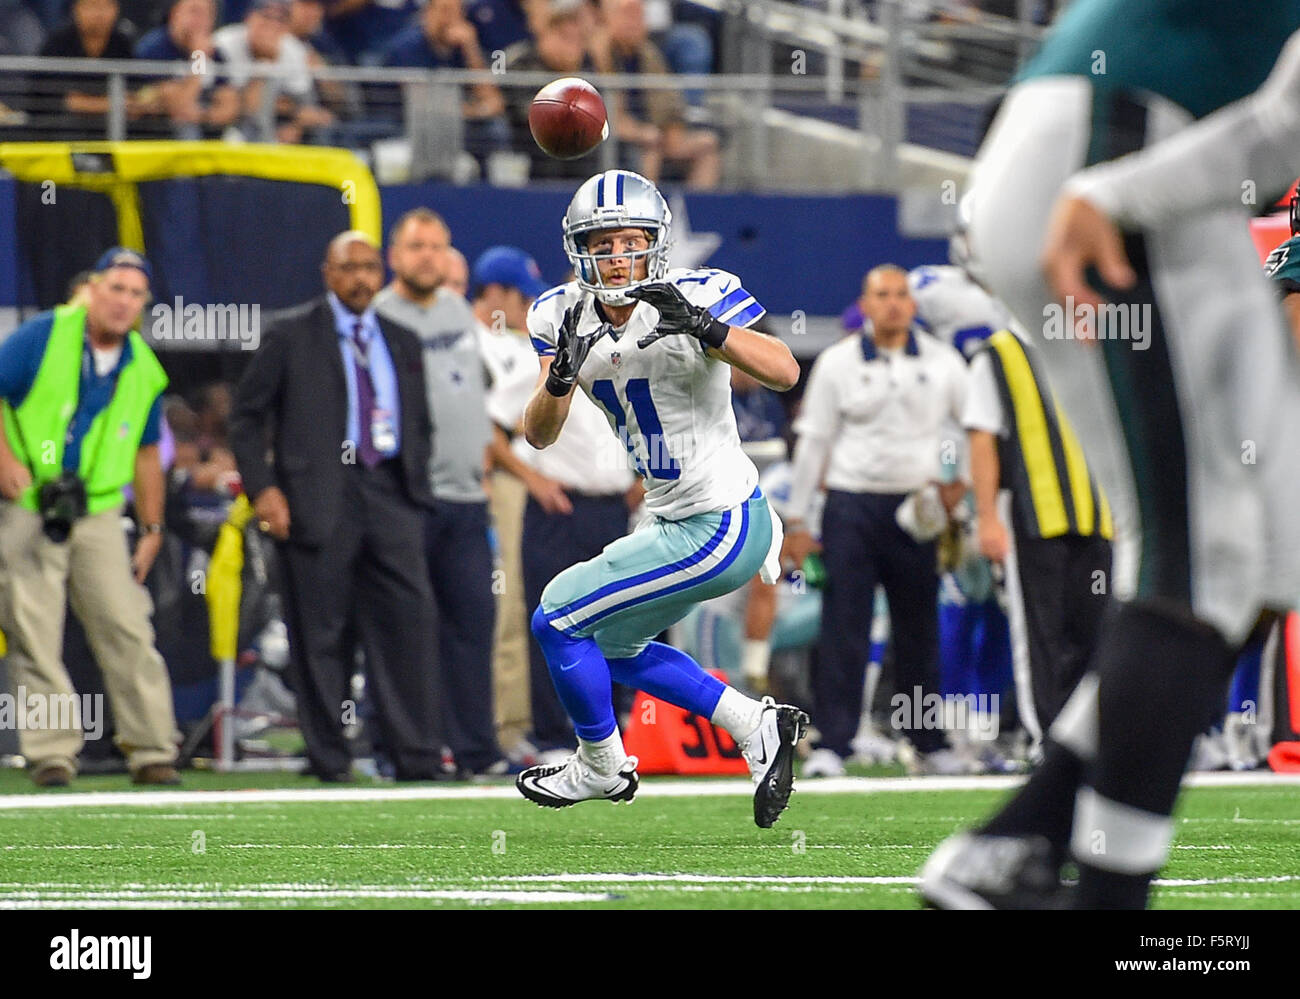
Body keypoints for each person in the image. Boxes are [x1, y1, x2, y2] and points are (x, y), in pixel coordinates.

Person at [919, 2, 1300, 910]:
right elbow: (1282, 128)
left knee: (1272, 542)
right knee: (1206, 563)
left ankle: (1016, 839)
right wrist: (1110, 195)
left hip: (1120, 153)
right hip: (1115, 155)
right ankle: (1109, 904)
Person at [515, 168, 809, 829]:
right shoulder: (556, 313)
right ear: (580, 250)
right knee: (615, 644)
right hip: (675, 517)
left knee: (558, 618)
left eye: (631, 241)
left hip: (722, 519)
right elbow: (538, 434)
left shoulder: (701, 293)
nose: (618, 256)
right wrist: (559, 377)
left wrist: (709, 329)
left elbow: (786, 371)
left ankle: (601, 763)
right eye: (604, 243)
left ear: (655, 243)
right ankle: (753, 724)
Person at [229, 230, 445, 782]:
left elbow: (417, 421)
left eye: (370, 267)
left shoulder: (402, 339)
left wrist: (416, 486)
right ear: (328, 273)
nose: (361, 278)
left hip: (391, 495)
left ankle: (414, 757)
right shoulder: (291, 334)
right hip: (316, 500)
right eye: (349, 268)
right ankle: (330, 759)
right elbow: (247, 418)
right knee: (321, 636)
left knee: (407, 628)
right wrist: (265, 490)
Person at [0, 247, 181, 787]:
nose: (124, 301)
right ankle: (52, 753)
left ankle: (152, 750)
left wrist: (151, 526)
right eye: (116, 288)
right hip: (32, 503)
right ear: (92, 289)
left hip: (100, 510)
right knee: (34, 633)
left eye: (135, 293)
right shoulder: (43, 335)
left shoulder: (145, 369)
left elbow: (148, 452)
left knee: (127, 626)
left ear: (144, 304)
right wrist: (5, 460)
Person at [785, 264, 969, 778]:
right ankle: (833, 743)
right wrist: (798, 519)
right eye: (882, 295)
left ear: (913, 304)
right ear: (864, 305)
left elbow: (975, 425)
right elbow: (814, 441)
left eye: (901, 295)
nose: (893, 304)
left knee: (920, 628)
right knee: (844, 625)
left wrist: (961, 487)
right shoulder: (837, 363)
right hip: (851, 505)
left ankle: (928, 743)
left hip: (918, 508)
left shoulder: (943, 361)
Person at [373, 209, 510, 778]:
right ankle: (399, 750)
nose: (427, 256)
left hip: (466, 499)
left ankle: (476, 750)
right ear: (395, 256)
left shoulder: (459, 311)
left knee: (474, 625)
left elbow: (479, 390)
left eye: (437, 246)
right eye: (416, 246)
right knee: (404, 631)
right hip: (405, 497)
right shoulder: (376, 317)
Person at [472, 245, 553, 757]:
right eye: (521, 297)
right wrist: (531, 476)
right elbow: (488, 431)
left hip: (524, 484)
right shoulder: (471, 339)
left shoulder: (519, 344)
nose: (527, 309)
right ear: (496, 293)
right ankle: (502, 728)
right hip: (496, 482)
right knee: (504, 606)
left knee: (527, 606)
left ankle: (516, 725)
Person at [591, 0, 720, 188]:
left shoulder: (648, 55)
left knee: (707, 144)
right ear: (607, 18)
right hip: (613, 138)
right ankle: (645, 209)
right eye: (627, 14)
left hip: (655, 134)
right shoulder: (598, 54)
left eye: (639, 15)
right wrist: (640, 132)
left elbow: (668, 101)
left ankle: (696, 211)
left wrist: (672, 132)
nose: (634, 22)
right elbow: (604, 114)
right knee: (650, 146)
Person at [214, 0, 334, 144]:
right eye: (266, 17)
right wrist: (264, 64)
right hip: (229, 123)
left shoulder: (294, 49)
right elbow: (240, 106)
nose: (272, 25)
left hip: (277, 123)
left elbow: (303, 104)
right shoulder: (224, 42)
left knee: (320, 122)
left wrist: (295, 126)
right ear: (248, 18)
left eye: (280, 20)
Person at [134, 0, 240, 138]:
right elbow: (179, 107)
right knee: (187, 130)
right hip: (160, 134)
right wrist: (199, 58)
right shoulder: (154, 49)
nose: (201, 21)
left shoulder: (215, 53)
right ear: (174, 14)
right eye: (194, 12)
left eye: (207, 14)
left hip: (208, 130)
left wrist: (204, 115)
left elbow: (230, 106)